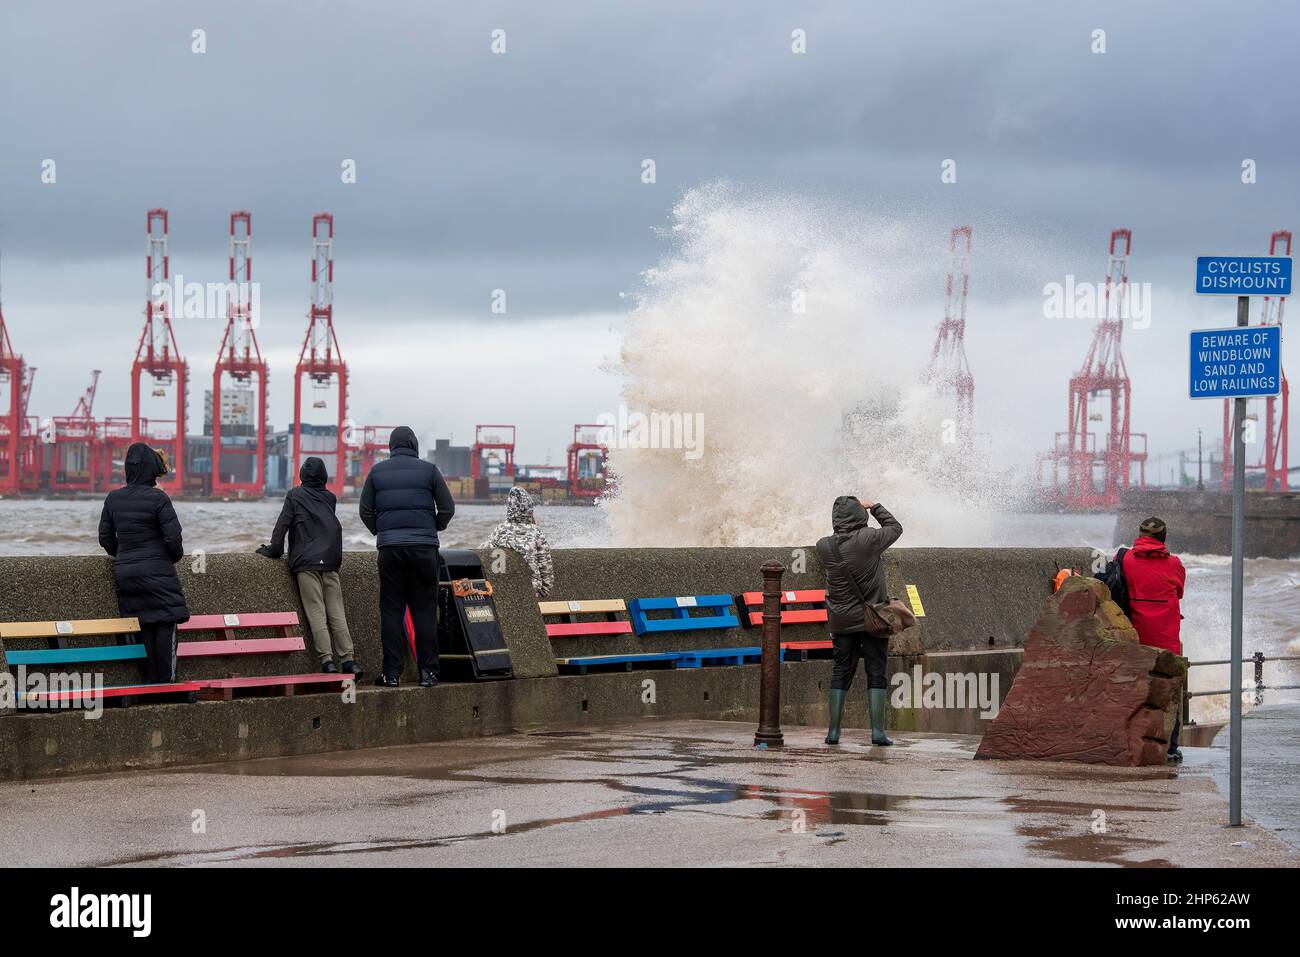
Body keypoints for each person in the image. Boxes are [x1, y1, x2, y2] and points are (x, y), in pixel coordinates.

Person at [359, 426, 455, 688]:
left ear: (391, 446)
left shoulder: (376, 472)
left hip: (390, 551)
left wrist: (381, 531)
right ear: (413, 444)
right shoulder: (430, 470)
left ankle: (391, 675)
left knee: (391, 611)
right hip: (424, 550)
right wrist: (433, 527)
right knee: (424, 610)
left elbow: (365, 510)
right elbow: (448, 507)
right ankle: (428, 673)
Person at [97, 443, 191, 683]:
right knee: (165, 622)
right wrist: (165, 559)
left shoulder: (113, 498)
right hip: (158, 570)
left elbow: (105, 538)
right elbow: (174, 540)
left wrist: (125, 555)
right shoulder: (159, 499)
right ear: (151, 470)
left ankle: (150, 682)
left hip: (127, 572)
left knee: (145, 624)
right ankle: (167, 684)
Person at [256, 456, 358, 676]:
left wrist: (272, 550)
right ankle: (349, 661)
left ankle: (327, 661)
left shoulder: (295, 495)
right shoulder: (330, 498)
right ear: (323, 477)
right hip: (330, 561)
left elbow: (282, 526)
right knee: (337, 613)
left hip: (307, 563)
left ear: (302, 474)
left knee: (316, 612)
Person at [815, 495, 903, 746]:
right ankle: (877, 732)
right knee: (876, 671)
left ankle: (833, 732)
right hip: (872, 618)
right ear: (860, 517)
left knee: (841, 671)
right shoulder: (869, 539)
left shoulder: (824, 546)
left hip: (841, 620)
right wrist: (874, 506)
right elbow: (895, 528)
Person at [1119, 516, 1187, 762]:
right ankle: (1170, 747)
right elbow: (1179, 590)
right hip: (1167, 643)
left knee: (1138, 693)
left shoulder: (1126, 560)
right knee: (1169, 696)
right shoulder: (1174, 564)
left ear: (1140, 535)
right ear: (1163, 538)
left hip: (1137, 639)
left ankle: (1134, 741)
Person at [483, 486, 554, 598]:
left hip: (501, 588)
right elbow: (545, 564)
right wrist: (544, 590)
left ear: (510, 508)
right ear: (529, 508)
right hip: (529, 589)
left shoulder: (500, 529)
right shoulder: (535, 531)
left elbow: (483, 551)